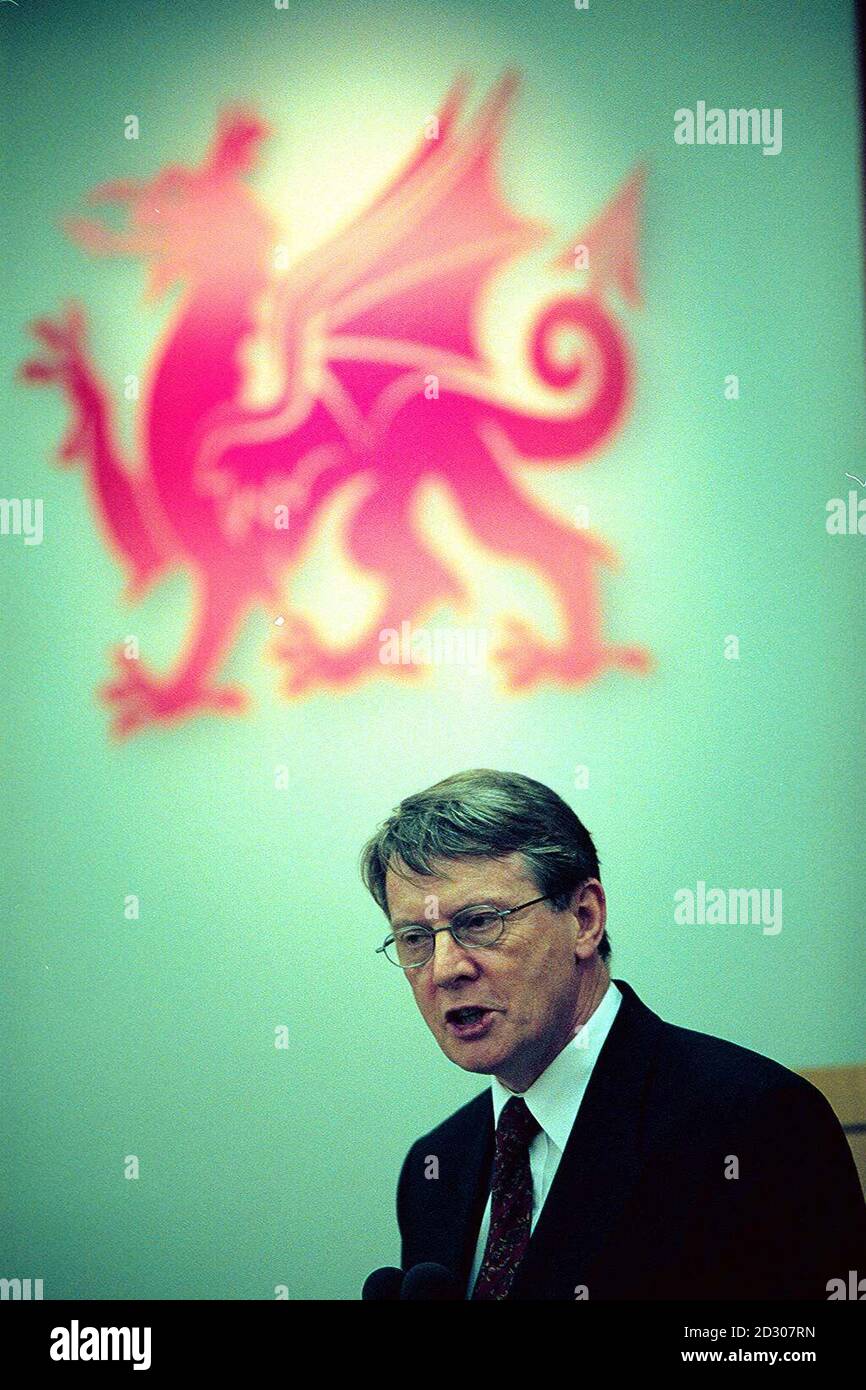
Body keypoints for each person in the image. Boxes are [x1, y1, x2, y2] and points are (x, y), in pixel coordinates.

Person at [359, 768, 866, 1300]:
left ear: (583, 918)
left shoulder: (754, 1122)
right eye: (415, 938)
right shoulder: (433, 1167)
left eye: (480, 922)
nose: (443, 969)